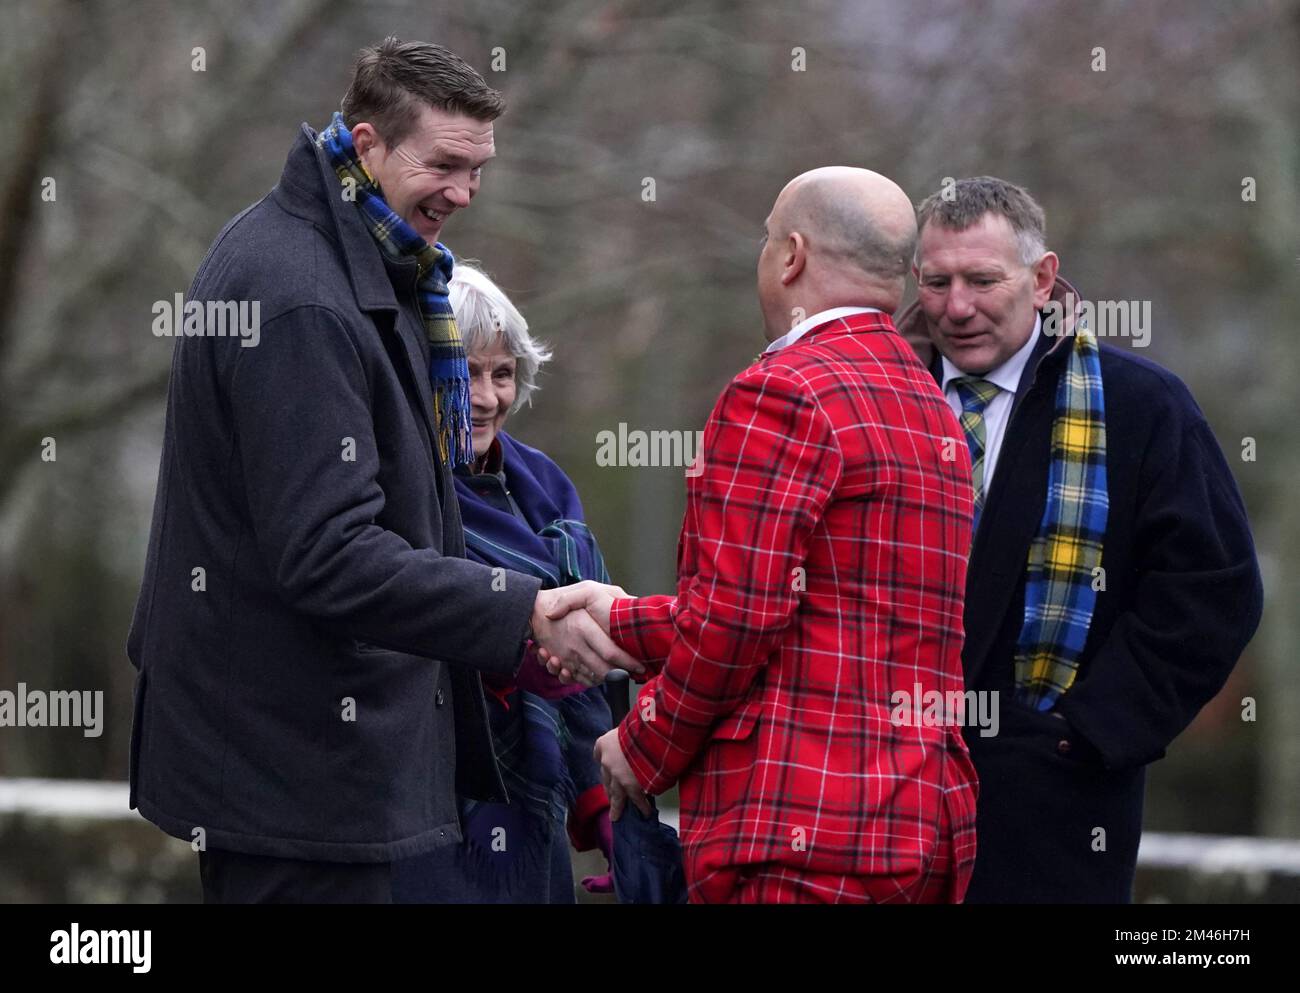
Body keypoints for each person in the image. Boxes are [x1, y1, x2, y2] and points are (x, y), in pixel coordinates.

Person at [125, 37, 639, 904]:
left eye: (479, 169)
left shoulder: (367, 253)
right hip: (292, 776)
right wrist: (522, 609)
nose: (464, 193)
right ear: (366, 144)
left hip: (327, 764)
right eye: (444, 164)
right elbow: (328, 551)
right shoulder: (300, 298)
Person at [544, 167, 980, 904]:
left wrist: (642, 745)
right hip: (922, 824)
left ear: (793, 255)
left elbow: (738, 617)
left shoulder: (782, 390)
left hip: (801, 828)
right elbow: (821, 614)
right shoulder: (931, 408)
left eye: (765, 238)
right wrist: (613, 617)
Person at [894, 175, 1262, 902]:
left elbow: (1214, 588)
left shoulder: (1140, 406)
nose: (956, 306)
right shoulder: (875, 395)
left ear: (1042, 279)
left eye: (982, 279)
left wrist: (1089, 730)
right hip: (876, 794)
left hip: (1054, 813)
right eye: (936, 282)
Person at [390, 263, 615, 903]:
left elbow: (590, 660)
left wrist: (604, 808)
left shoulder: (542, 483)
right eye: (464, 371)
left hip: (534, 797)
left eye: (503, 373)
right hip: (425, 796)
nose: (485, 397)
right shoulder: (398, 486)